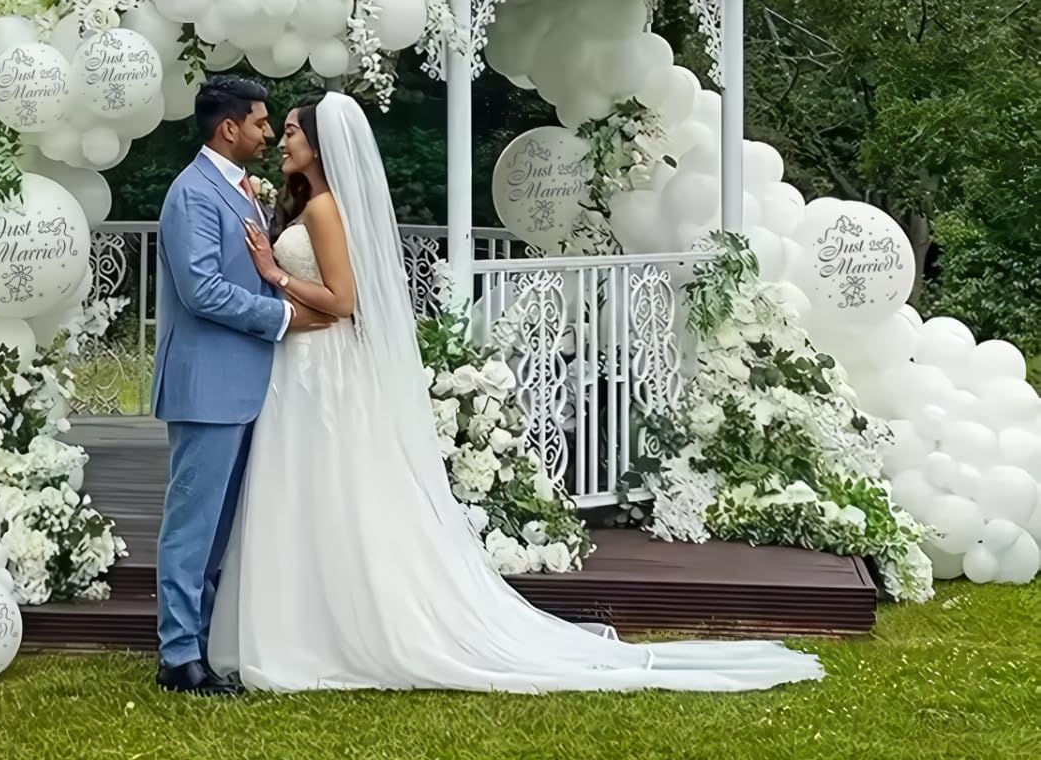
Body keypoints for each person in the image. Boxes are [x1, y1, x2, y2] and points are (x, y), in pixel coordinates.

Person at [206, 91, 825, 695]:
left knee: (320, 490)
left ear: (318, 145)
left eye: (290, 130)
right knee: (315, 493)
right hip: (308, 362)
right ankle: (313, 625)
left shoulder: (323, 210)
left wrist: (272, 274)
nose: (281, 140)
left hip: (323, 368)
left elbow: (343, 301)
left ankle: (320, 634)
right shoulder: (313, 203)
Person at [151, 76, 333, 696]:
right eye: (260, 122)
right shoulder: (193, 195)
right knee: (192, 523)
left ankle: (198, 643)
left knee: (220, 525)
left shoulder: (243, 193)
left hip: (248, 382)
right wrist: (282, 316)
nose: (266, 132)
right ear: (229, 128)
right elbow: (201, 291)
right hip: (207, 381)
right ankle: (178, 657)